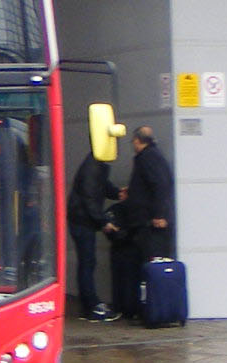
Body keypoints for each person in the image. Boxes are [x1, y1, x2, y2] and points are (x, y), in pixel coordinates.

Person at [106, 125, 176, 320]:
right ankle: (146, 308)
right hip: (145, 221)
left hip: (149, 223)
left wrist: (159, 215)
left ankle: (151, 309)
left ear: (137, 141)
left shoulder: (148, 158)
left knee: (149, 265)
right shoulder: (153, 156)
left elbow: (160, 186)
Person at [67, 149, 119, 321]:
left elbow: (100, 187)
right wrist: (103, 221)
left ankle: (88, 305)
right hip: (82, 221)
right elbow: (90, 197)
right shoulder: (94, 167)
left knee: (87, 262)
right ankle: (90, 306)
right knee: (87, 262)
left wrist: (117, 193)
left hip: (80, 220)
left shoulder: (94, 164)